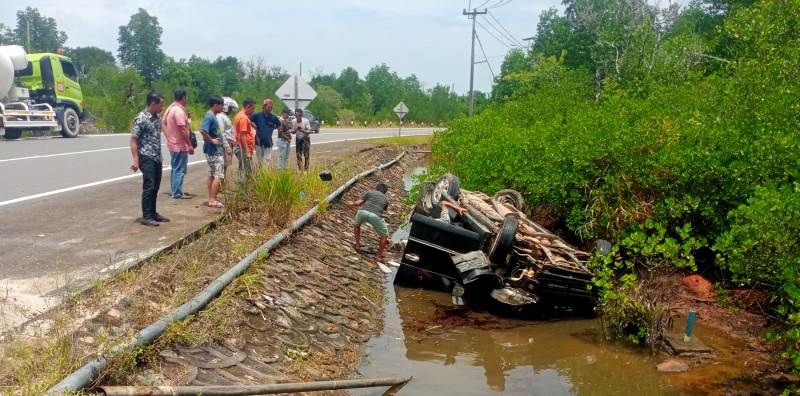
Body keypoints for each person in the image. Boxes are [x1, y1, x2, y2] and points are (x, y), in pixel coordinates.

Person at [130, 91, 169, 227]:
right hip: (146, 157)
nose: (162, 108)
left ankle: (152, 213)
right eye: (161, 105)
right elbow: (134, 140)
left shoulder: (157, 117)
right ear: (153, 104)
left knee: (156, 186)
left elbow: (160, 132)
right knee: (149, 186)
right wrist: (135, 160)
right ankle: (146, 216)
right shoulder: (141, 118)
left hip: (157, 157)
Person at [346, 181, 390, 260]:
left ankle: (357, 245)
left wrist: (352, 203)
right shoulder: (386, 199)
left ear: (376, 188)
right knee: (384, 236)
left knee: (357, 226)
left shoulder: (369, 192)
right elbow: (384, 209)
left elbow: (358, 203)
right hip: (375, 216)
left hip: (363, 212)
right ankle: (378, 256)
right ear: (385, 192)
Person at [163, 89, 194, 199]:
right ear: (184, 98)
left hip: (173, 144)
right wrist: (189, 144)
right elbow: (183, 129)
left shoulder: (170, 108)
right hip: (179, 145)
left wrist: (168, 138)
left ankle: (175, 190)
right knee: (179, 169)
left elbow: (163, 123)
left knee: (175, 168)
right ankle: (177, 193)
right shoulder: (179, 111)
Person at [200, 96, 225, 208]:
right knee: (218, 175)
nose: (223, 107)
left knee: (212, 174)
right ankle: (213, 199)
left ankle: (211, 197)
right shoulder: (209, 116)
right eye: (221, 105)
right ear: (215, 105)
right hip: (213, 151)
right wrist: (212, 140)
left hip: (213, 150)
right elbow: (202, 130)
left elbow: (216, 132)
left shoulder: (213, 117)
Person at [250, 99, 282, 169]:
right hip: (258, 142)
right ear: (264, 107)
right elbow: (249, 120)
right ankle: (261, 175)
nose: (270, 108)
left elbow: (279, 125)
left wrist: (278, 129)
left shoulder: (273, 117)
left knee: (267, 161)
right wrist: (254, 125)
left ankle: (266, 176)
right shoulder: (257, 115)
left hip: (268, 142)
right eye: (269, 107)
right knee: (260, 161)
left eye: (271, 107)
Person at [235, 98, 256, 178]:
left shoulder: (241, 116)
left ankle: (243, 186)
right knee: (246, 170)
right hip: (243, 148)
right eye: (252, 108)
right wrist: (247, 150)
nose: (253, 111)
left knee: (243, 169)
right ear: (248, 106)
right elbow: (242, 135)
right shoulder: (243, 118)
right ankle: (244, 188)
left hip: (243, 147)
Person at [217, 97, 237, 176]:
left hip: (227, 145)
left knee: (224, 168)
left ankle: (222, 186)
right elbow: (220, 132)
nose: (231, 110)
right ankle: (221, 187)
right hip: (225, 146)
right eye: (230, 108)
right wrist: (227, 147)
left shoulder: (224, 117)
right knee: (222, 168)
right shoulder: (221, 117)